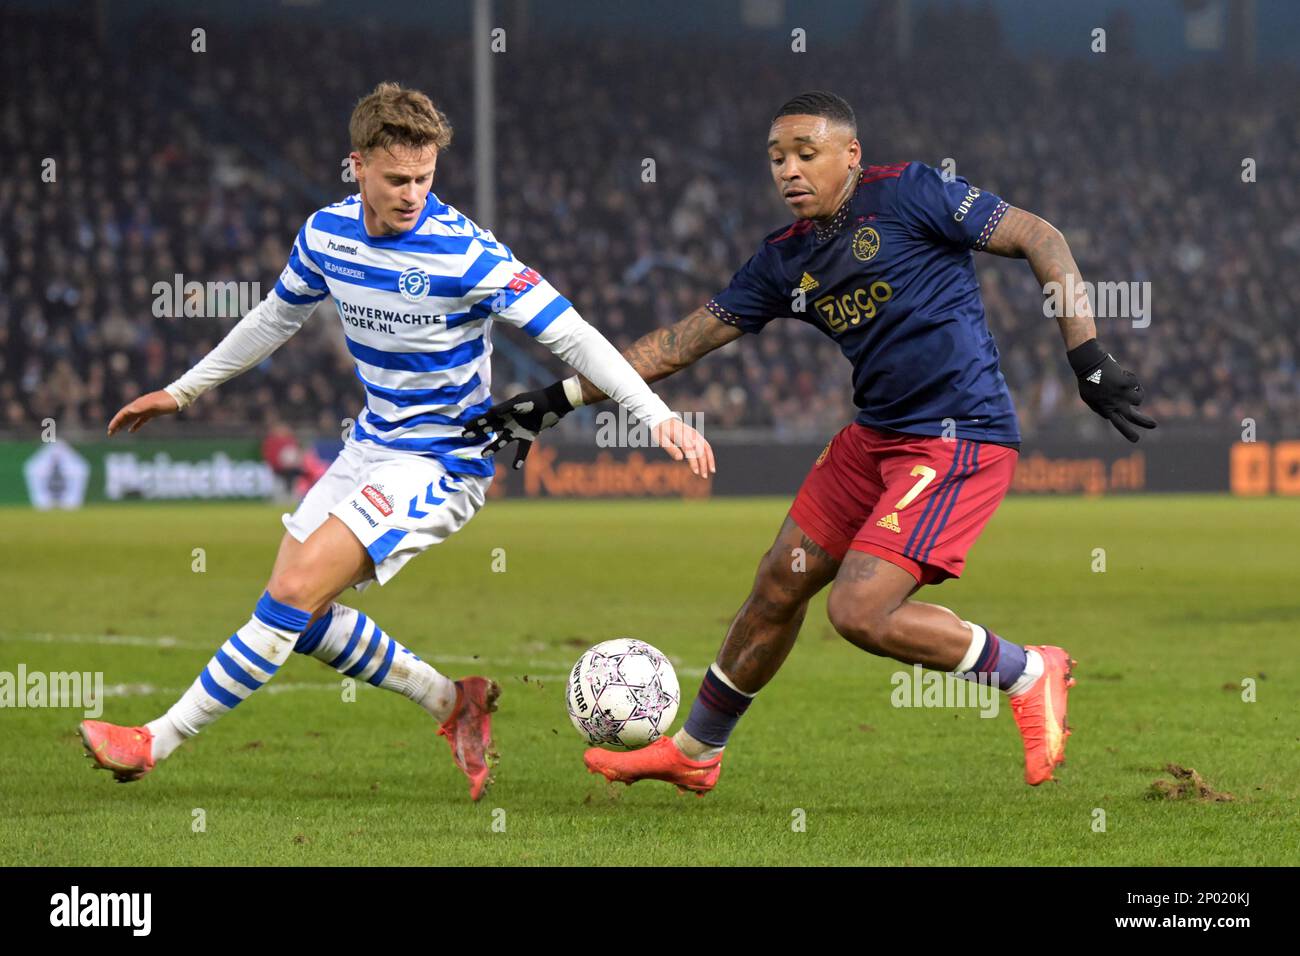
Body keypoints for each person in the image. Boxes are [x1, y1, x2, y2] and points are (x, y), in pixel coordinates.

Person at [468, 90, 1155, 792]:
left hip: (958, 438)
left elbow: (1040, 236)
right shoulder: (782, 260)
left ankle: (1030, 670)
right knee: (778, 583)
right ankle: (698, 751)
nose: (789, 170)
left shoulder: (912, 193)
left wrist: (1087, 356)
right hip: (874, 438)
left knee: (858, 611)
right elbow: (676, 346)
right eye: (776, 159)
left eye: (806, 153)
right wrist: (556, 399)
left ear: (850, 156)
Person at [78, 82, 714, 801]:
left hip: (444, 460)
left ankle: (150, 742)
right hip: (370, 445)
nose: (413, 192)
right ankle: (454, 703)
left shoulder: (465, 252)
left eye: (424, 176)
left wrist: (655, 414)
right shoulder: (326, 234)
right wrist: (183, 390)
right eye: (396, 178)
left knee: (288, 592)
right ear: (357, 167)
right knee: (303, 615)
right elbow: (273, 319)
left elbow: (572, 334)